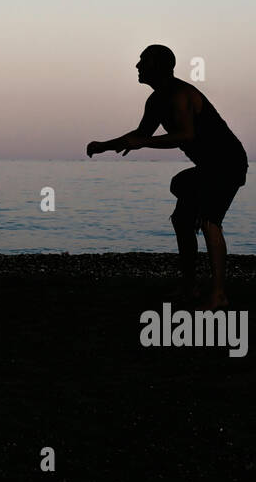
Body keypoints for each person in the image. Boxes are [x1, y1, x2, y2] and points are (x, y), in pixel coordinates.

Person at [86, 44, 247, 310]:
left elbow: (186, 135)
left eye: (142, 61)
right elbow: (141, 134)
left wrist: (144, 142)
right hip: (207, 167)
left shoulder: (180, 94)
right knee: (182, 218)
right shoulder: (156, 100)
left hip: (227, 163)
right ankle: (190, 286)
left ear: (159, 66)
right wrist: (103, 145)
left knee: (209, 222)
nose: (137, 67)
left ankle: (218, 294)